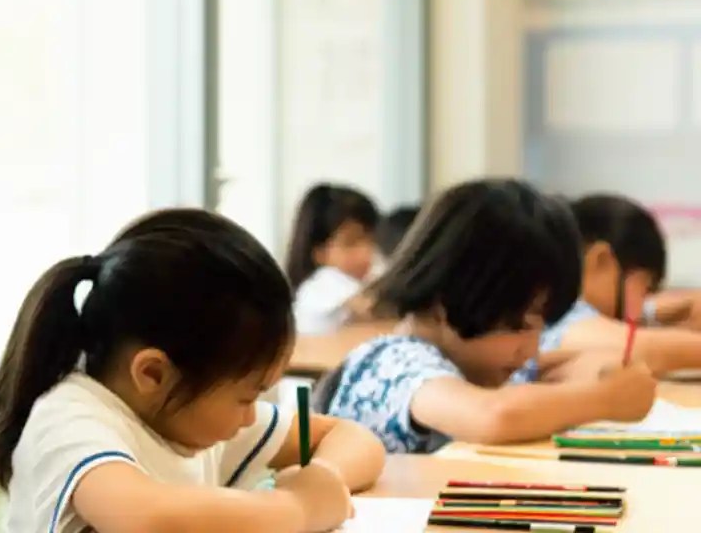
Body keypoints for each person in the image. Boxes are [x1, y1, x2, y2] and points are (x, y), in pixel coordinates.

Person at [0, 208, 386, 533]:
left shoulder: (186, 414)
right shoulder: (70, 419)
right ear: (154, 374)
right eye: (245, 397)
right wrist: (297, 507)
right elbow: (150, 519)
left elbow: (352, 437)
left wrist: (323, 477)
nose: (250, 415)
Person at [320, 180, 656, 454]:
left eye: (541, 327)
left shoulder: (475, 363)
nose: (530, 349)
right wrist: (606, 399)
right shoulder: (393, 364)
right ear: (445, 298)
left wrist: (602, 371)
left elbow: (551, 367)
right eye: (519, 325)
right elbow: (492, 416)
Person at [542, 194, 701, 374]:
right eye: (646, 288)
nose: (641, 306)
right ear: (600, 261)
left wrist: (659, 310)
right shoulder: (557, 313)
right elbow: (636, 350)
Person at [285, 184, 380, 334]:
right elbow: (369, 307)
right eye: (351, 242)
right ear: (319, 253)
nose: (366, 252)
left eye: (371, 240)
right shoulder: (327, 280)